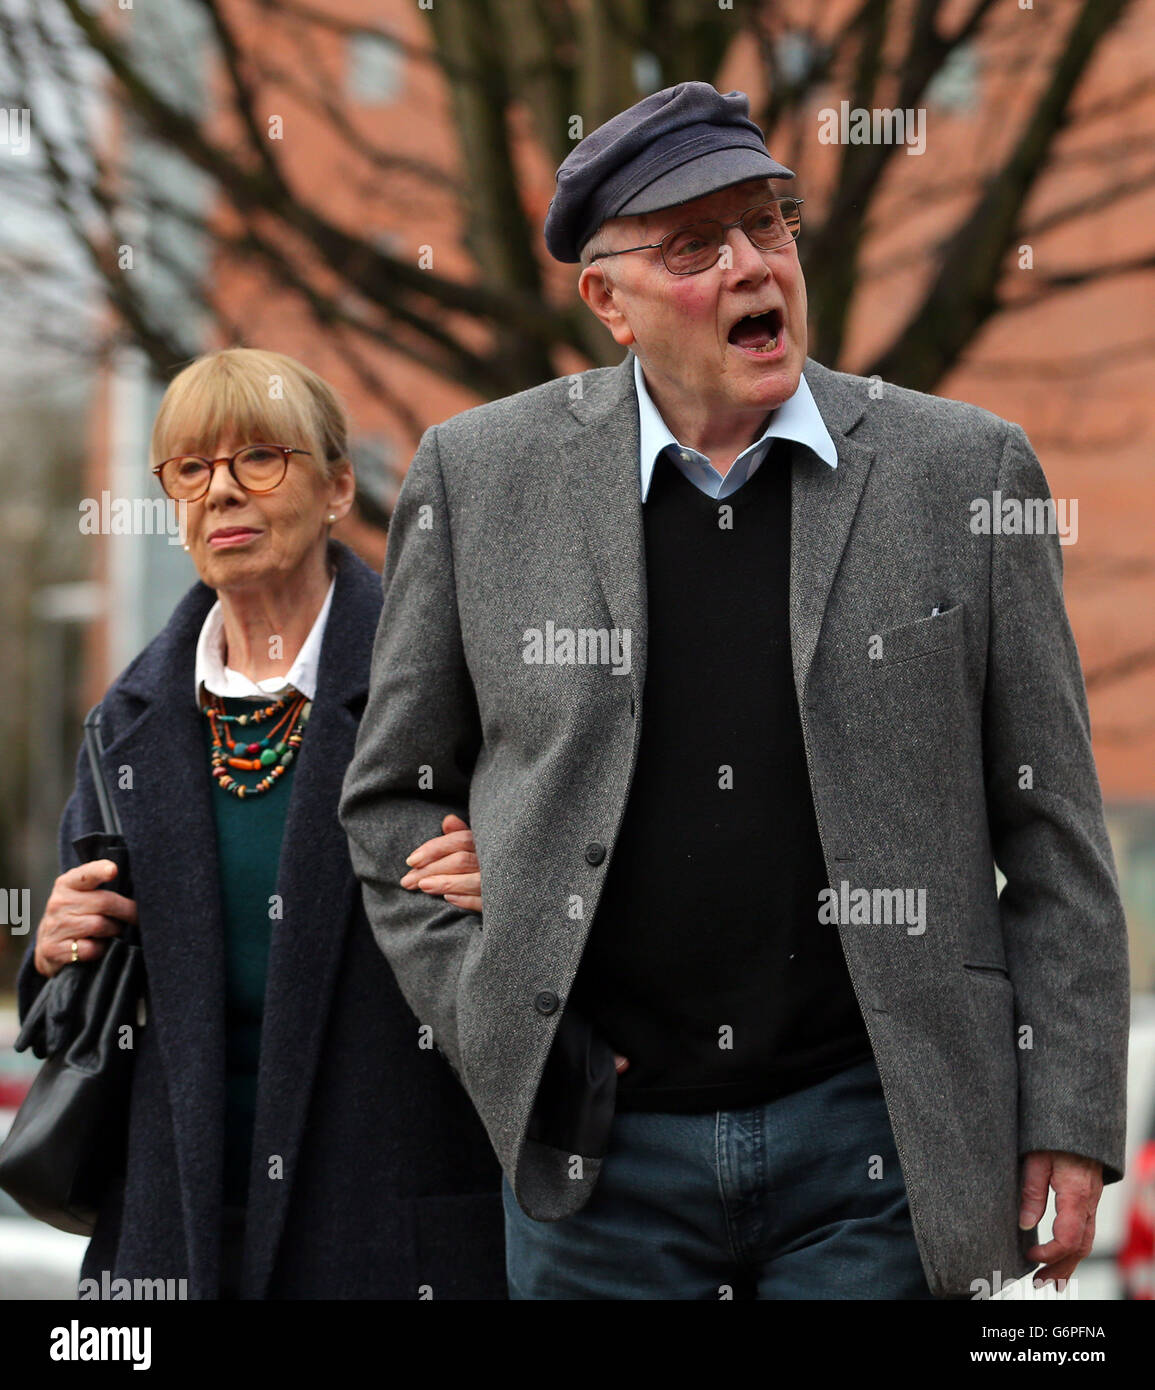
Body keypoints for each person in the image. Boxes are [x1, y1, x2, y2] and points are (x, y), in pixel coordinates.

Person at [339, 83, 1130, 1299]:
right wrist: (493, 1005)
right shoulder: (480, 476)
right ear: (608, 298)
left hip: (883, 1142)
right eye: (697, 246)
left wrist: (1069, 1110)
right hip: (597, 1157)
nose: (755, 266)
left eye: (769, 224)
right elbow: (391, 796)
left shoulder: (965, 471)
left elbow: (1056, 826)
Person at [20, 347, 505, 1299]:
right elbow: (70, 1016)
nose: (221, 493)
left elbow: (572, 902)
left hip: (393, 1236)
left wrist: (515, 878)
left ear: (333, 489)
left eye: (258, 459)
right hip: (168, 1240)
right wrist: (52, 950)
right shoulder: (126, 720)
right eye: (191, 470)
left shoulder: (449, 683)